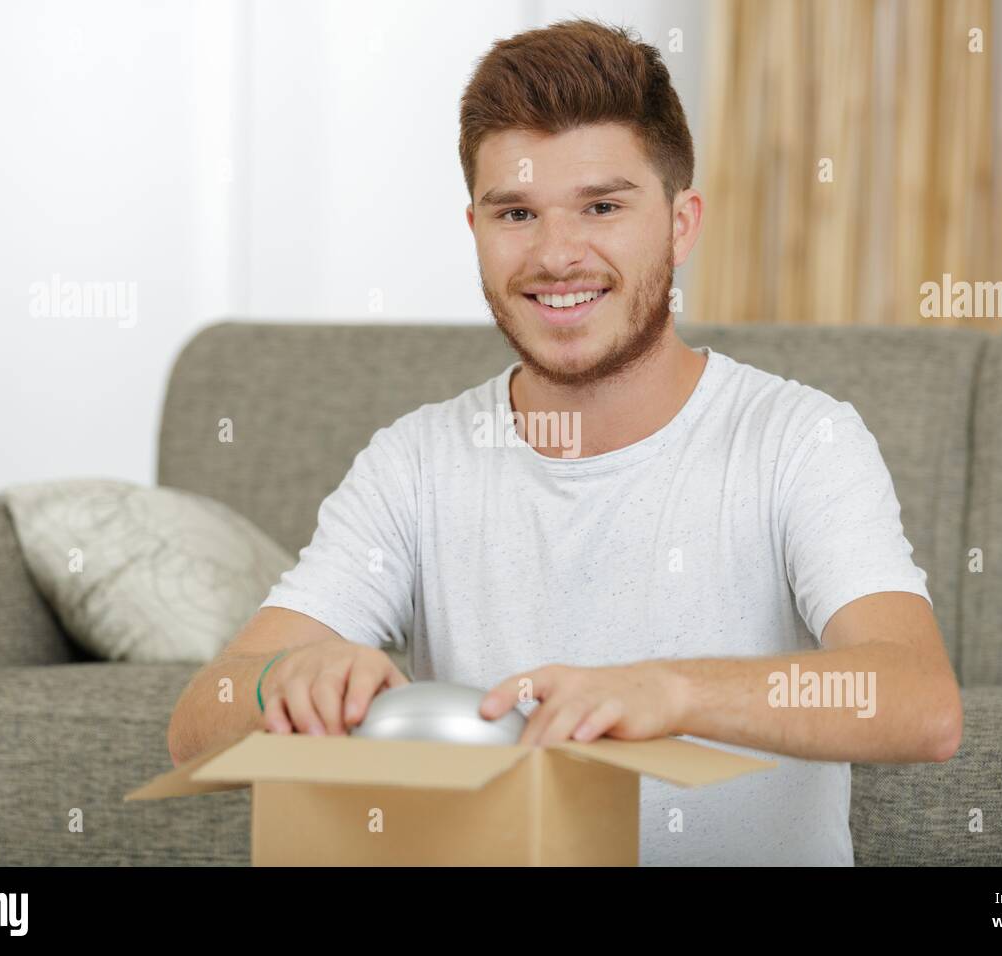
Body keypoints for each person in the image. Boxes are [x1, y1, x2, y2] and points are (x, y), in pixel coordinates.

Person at [167, 17, 962, 866]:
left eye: (602, 207)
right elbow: (196, 724)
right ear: (474, 228)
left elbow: (918, 701)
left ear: (681, 223)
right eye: (516, 212)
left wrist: (672, 689)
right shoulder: (415, 464)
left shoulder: (798, 440)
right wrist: (277, 683)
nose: (557, 255)